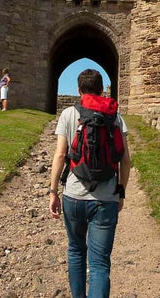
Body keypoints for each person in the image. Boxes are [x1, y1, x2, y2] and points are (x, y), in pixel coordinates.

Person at [48, 69, 130, 298]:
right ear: (102, 89)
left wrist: (53, 191)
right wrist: (120, 192)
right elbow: (126, 160)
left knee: (75, 251)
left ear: (78, 90)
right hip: (106, 198)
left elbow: (60, 155)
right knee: (100, 264)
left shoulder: (68, 114)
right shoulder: (115, 116)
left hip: (73, 196)